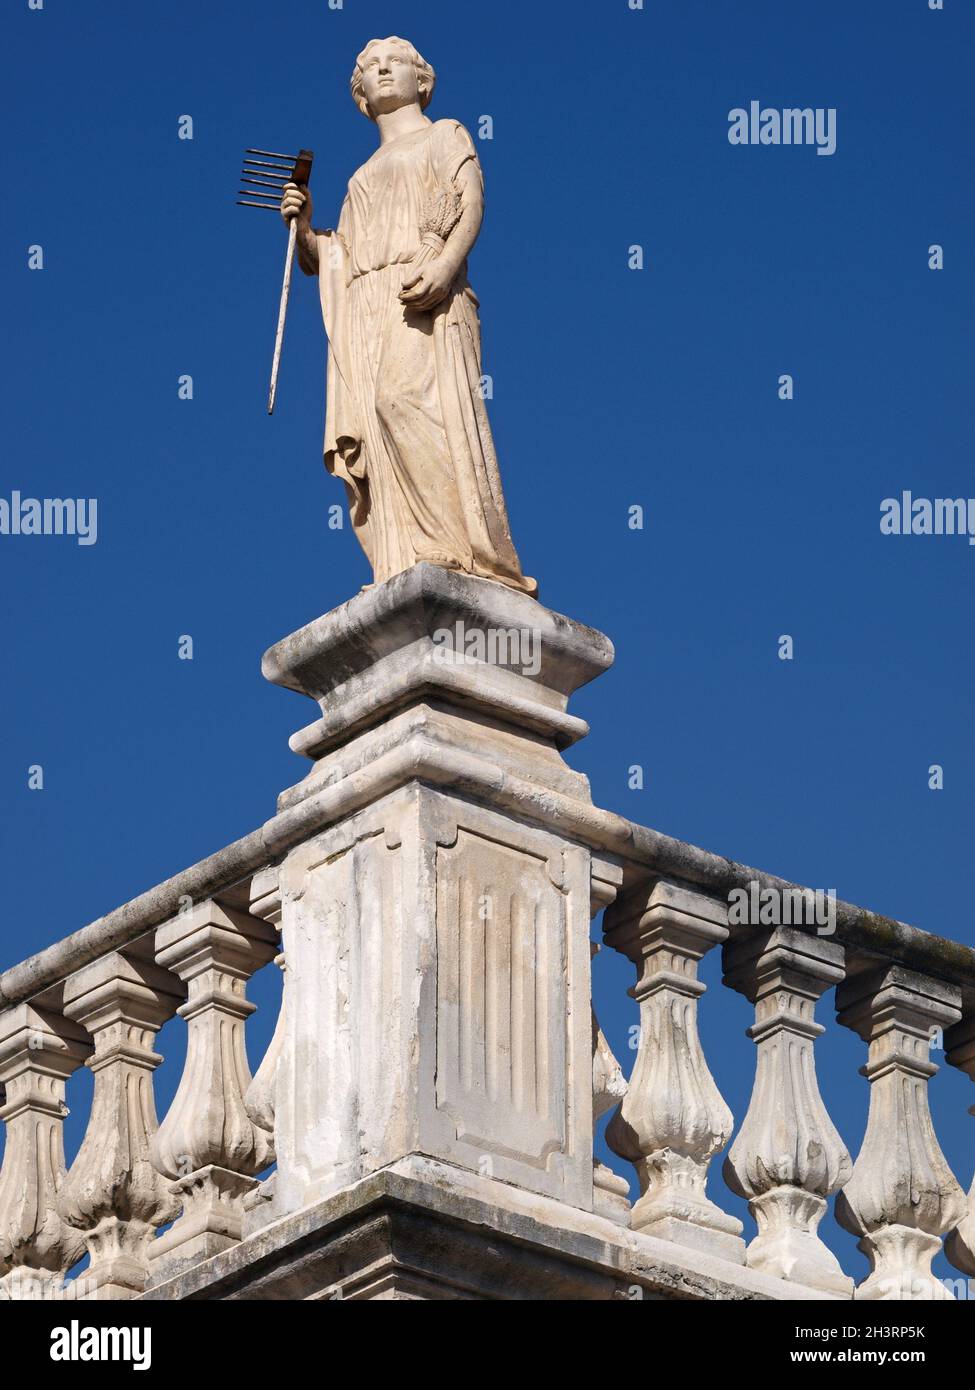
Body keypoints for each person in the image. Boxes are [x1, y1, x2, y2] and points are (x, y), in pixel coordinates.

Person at [280, 36, 537, 597]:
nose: (382, 71)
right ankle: (403, 556)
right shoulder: (360, 177)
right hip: (367, 308)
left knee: (407, 403)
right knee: (374, 418)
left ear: (422, 78)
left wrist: (445, 266)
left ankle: (454, 546)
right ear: (362, 95)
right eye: (370, 68)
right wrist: (304, 230)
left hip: (420, 292)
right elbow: (336, 257)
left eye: (394, 61)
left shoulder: (445, 135)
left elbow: (469, 201)